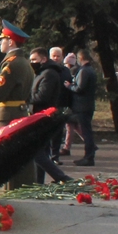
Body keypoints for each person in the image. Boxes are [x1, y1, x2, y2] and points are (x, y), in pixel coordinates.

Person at [0, 20, 37, 185]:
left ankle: (11, 188)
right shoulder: (24, 63)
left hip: (8, 116)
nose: (0, 42)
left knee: (7, 153)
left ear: (11, 41)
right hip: (18, 112)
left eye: (3, 39)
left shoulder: (11, 64)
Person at [28, 48, 72, 183]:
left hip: (44, 117)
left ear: (44, 59)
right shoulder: (41, 73)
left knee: (37, 152)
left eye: (34, 60)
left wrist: (25, 97)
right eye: (30, 60)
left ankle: (60, 177)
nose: (32, 62)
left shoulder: (49, 74)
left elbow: (43, 97)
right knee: (42, 152)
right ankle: (39, 182)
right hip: (40, 116)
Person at [66, 49, 99, 166]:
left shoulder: (84, 71)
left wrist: (69, 86)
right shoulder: (91, 70)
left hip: (82, 106)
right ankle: (88, 156)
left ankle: (89, 157)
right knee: (86, 131)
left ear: (80, 59)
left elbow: (80, 88)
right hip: (87, 105)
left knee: (86, 132)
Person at [58, 52, 82, 156]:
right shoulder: (75, 70)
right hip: (72, 101)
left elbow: (72, 87)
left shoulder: (71, 72)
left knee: (70, 125)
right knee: (74, 125)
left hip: (71, 102)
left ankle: (66, 147)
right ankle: (89, 142)